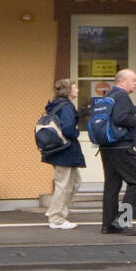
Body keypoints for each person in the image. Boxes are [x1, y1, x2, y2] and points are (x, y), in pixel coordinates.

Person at [99, 69, 136, 236]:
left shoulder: (109, 96)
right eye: (134, 80)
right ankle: (123, 221)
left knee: (112, 185)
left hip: (107, 147)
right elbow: (120, 119)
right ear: (122, 81)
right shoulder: (122, 96)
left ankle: (108, 224)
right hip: (122, 147)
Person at [42, 79, 85, 230]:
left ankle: (57, 211)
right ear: (68, 91)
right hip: (66, 150)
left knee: (73, 182)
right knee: (64, 184)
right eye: (75, 88)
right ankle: (56, 218)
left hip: (58, 149)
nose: (77, 90)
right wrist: (77, 131)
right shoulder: (66, 107)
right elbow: (68, 130)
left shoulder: (54, 105)